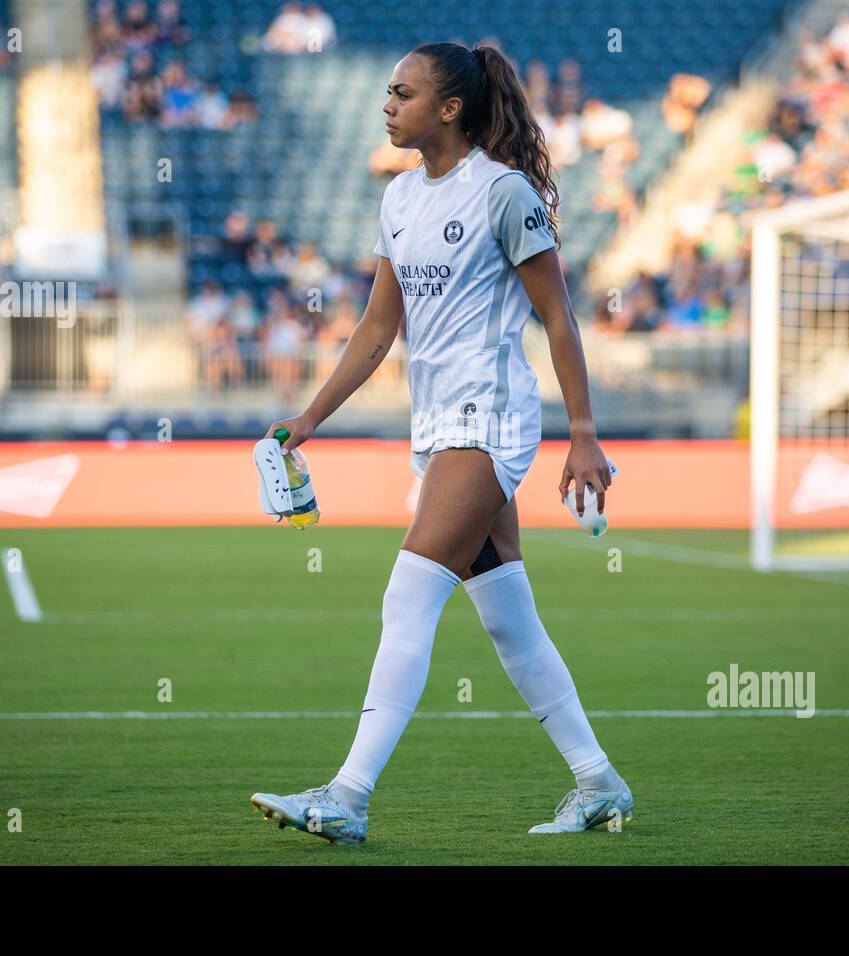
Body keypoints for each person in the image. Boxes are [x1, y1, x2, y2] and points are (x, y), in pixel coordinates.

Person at [251, 41, 630, 845]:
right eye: (387, 92)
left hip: (488, 419)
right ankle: (597, 781)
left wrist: (584, 432)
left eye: (403, 93)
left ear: (450, 108)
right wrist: (310, 417)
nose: (387, 106)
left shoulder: (504, 194)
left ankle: (347, 797)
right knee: (509, 618)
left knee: (407, 596)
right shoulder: (398, 199)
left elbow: (559, 317)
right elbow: (377, 329)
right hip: (437, 428)